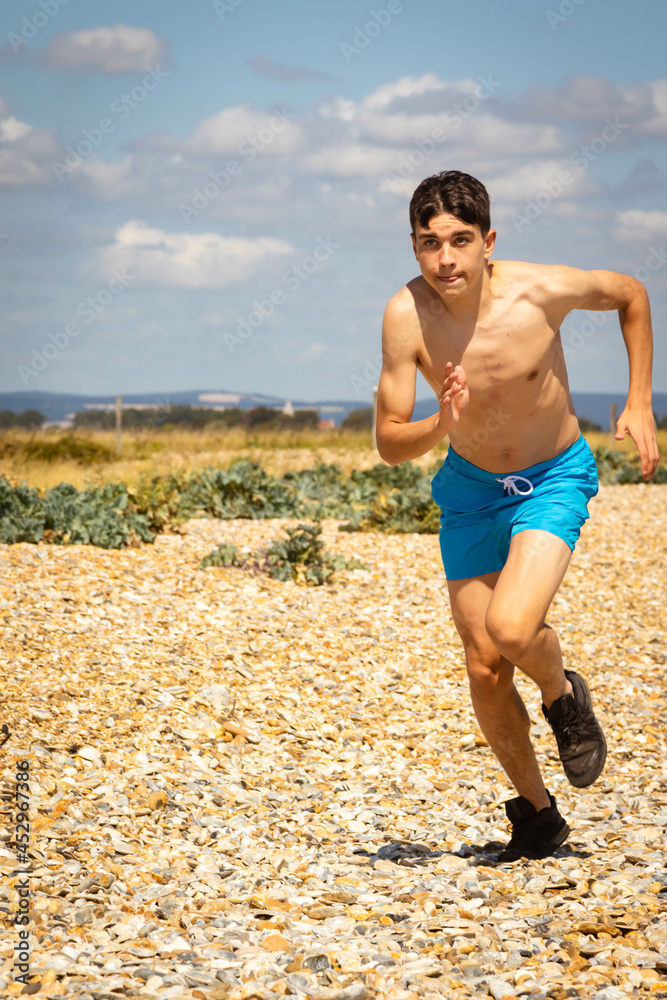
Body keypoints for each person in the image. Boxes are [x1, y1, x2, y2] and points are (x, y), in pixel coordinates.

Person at [376, 170, 659, 862]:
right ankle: (536, 815)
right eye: (427, 243)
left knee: (509, 627)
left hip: (551, 477)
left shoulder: (539, 290)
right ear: (413, 245)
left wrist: (637, 399)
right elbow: (387, 441)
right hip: (471, 489)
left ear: (487, 241)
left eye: (459, 241)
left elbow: (629, 293)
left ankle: (562, 694)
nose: (444, 259)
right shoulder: (404, 317)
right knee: (481, 665)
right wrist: (441, 421)